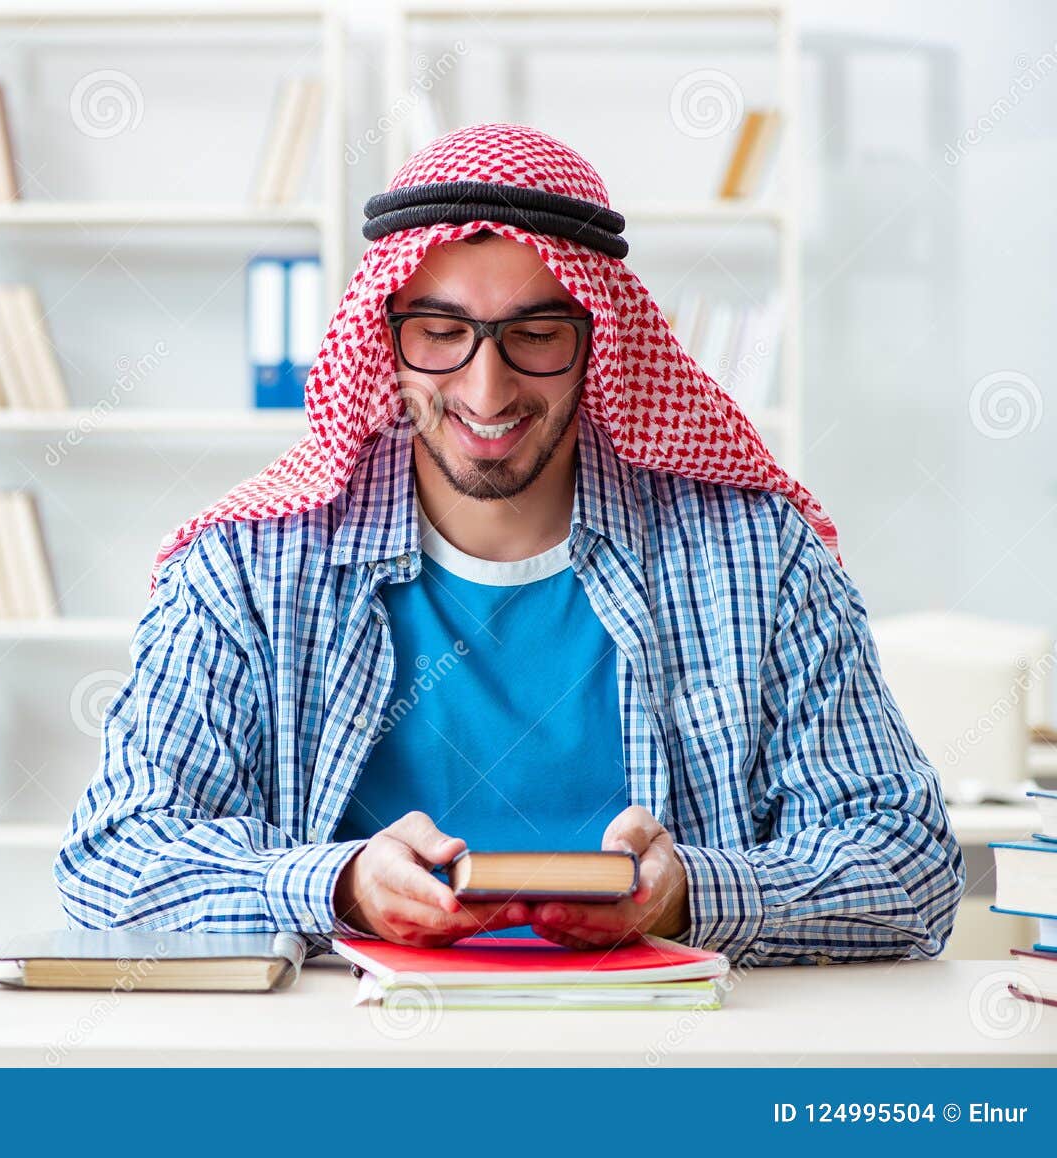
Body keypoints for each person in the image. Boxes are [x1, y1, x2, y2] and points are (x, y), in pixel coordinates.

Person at [54, 123, 964, 965]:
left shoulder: (760, 560)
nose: (486, 391)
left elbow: (909, 862)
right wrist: (336, 887)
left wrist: (693, 895)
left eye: (534, 336)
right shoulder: (248, 570)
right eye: (441, 333)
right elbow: (111, 862)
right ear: (388, 341)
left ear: (598, 342)